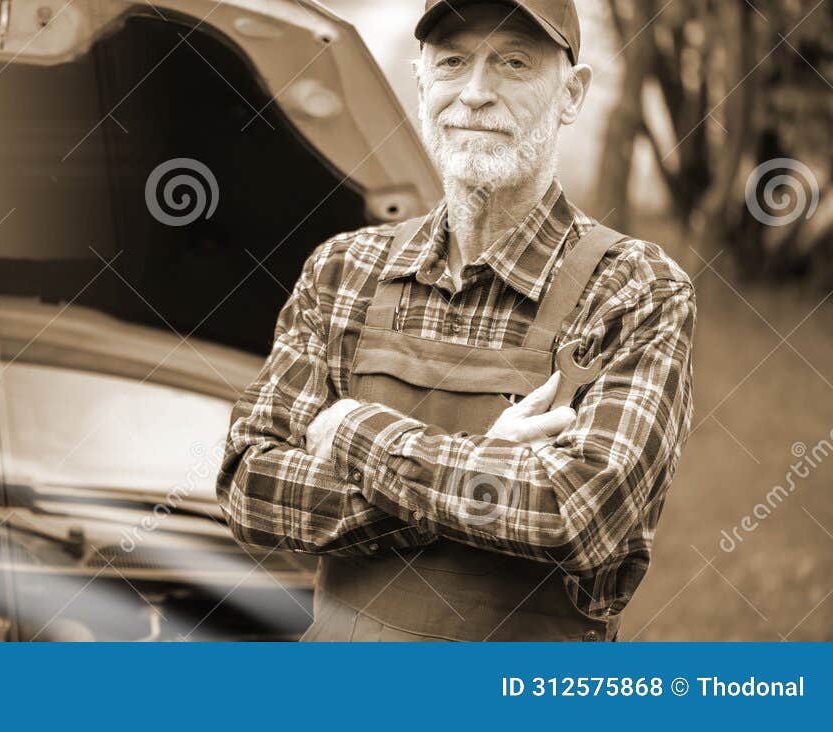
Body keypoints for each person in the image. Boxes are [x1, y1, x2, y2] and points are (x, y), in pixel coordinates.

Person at [215, 0, 695, 641]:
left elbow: (577, 512)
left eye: (514, 63)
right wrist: (483, 473)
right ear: (421, 83)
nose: (474, 94)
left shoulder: (635, 289)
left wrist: (355, 431)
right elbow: (250, 485)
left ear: (572, 92)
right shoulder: (341, 270)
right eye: (453, 62)